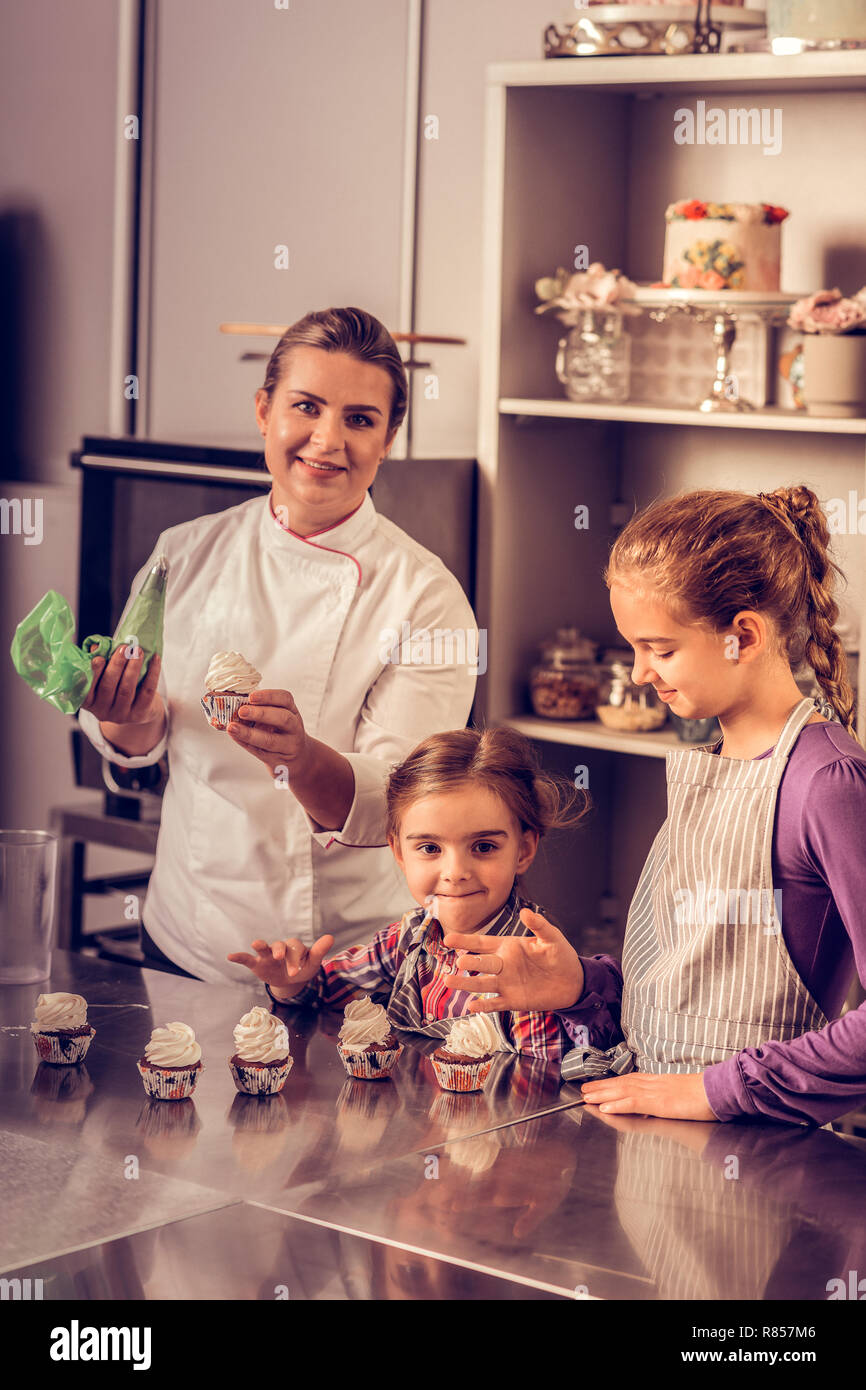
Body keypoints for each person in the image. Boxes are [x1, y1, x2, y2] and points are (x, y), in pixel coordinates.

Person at [78, 308, 478, 982]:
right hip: (189, 937)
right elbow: (137, 740)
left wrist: (300, 759)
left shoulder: (427, 598)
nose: (327, 440)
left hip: (344, 959)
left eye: (359, 419)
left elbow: (409, 808)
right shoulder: (183, 553)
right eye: (306, 407)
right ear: (264, 411)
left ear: (388, 440)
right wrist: (124, 714)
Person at [445, 486, 866, 1125]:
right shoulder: (718, 762)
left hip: (761, 1161)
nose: (641, 673)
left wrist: (713, 1090)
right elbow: (694, 984)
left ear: (743, 636)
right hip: (662, 1138)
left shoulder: (827, 783)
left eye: (660, 649)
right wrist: (580, 985)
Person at [228, 726, 586, 1057]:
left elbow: (547, 1079)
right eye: (430, 848)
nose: (456, 873)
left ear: (523, 850)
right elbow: (325, 992)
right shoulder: (408, 938)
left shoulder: (532, 961)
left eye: (484, 847)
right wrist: (291, 983)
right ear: (399, 852)